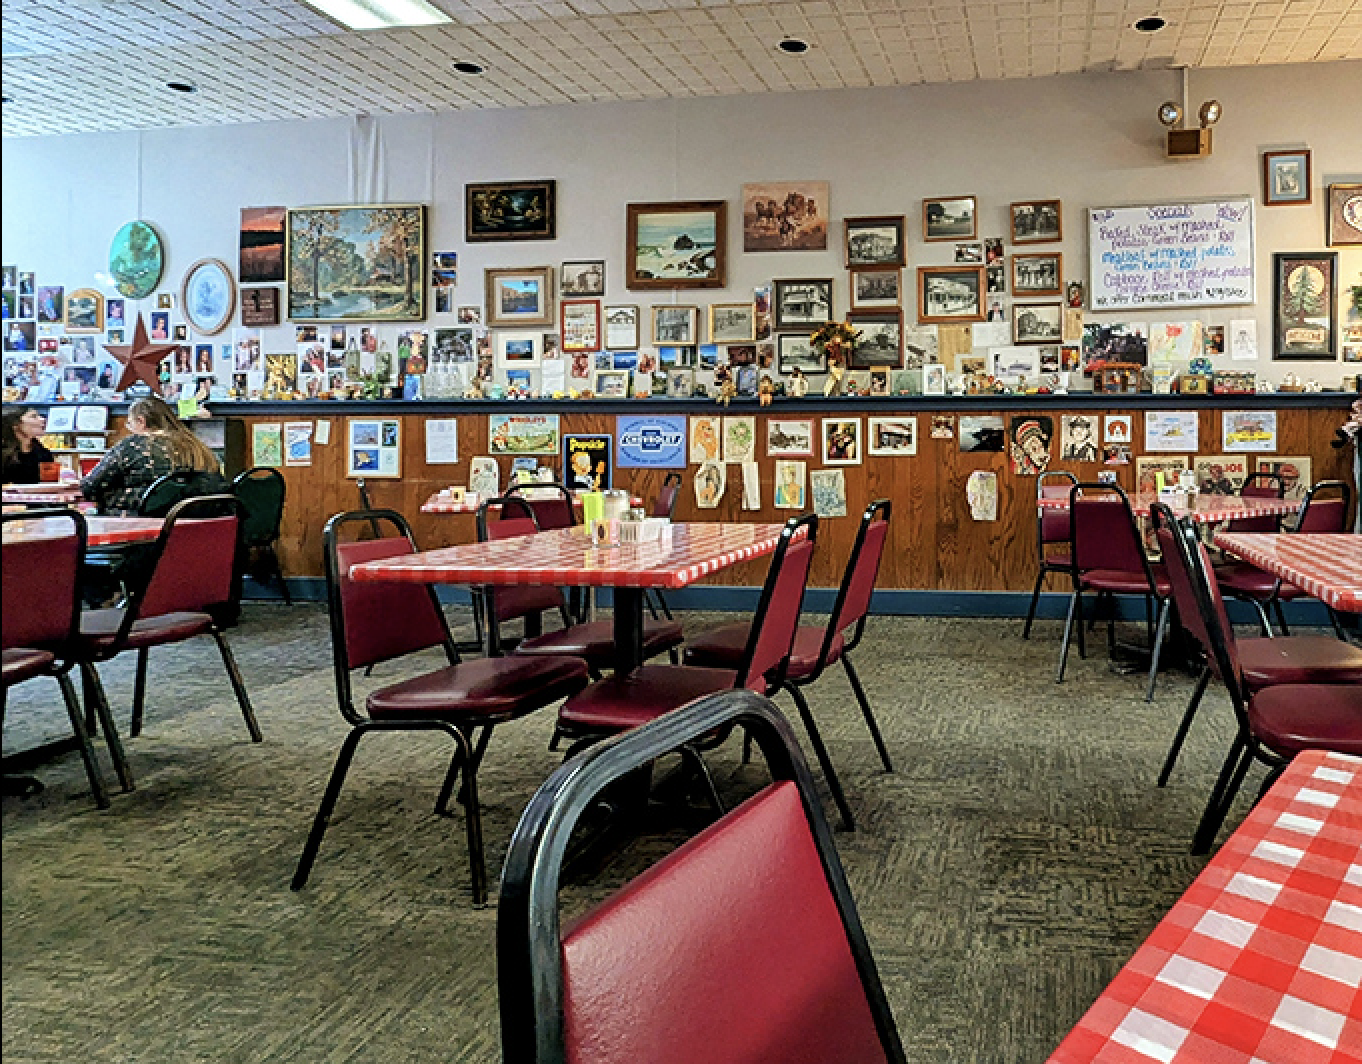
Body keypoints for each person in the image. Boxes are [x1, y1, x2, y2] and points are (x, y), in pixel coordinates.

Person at [80, 396, 225, 514]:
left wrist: (111, 497)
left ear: (141, 421)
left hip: (146, 531)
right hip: (196, 530)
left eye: (130, 424)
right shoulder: (197, 446)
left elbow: (89, 487)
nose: (130, 430)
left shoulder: (134, 445)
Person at [2, 405, 55, 484]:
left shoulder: (43, 453)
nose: (43, 419)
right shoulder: (4, 454)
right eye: (33, 417)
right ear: (15, 425)